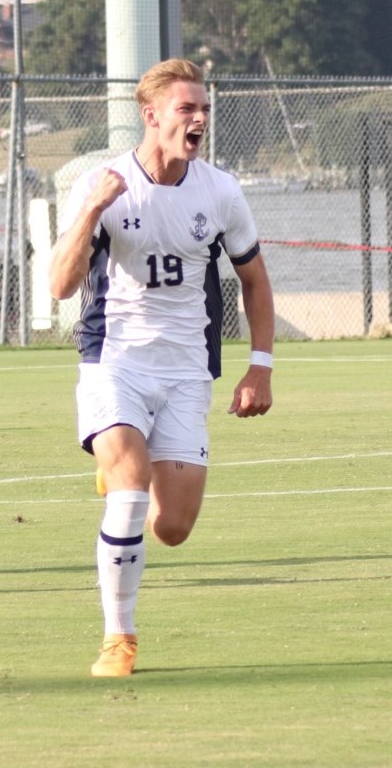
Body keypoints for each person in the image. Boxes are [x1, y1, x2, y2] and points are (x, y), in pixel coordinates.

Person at [49, 58, 276, 677]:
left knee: (172, 527)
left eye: (204, 108)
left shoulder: (221, 190)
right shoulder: (105, 182)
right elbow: (60, 284)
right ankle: (118, 638)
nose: (199, 118)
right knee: (126, 485)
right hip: (114, 362)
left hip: (185, 373)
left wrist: (260, 367)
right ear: (151, 116)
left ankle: (126, 469)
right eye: (187, 108)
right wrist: (91, 211)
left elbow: (254, 280)